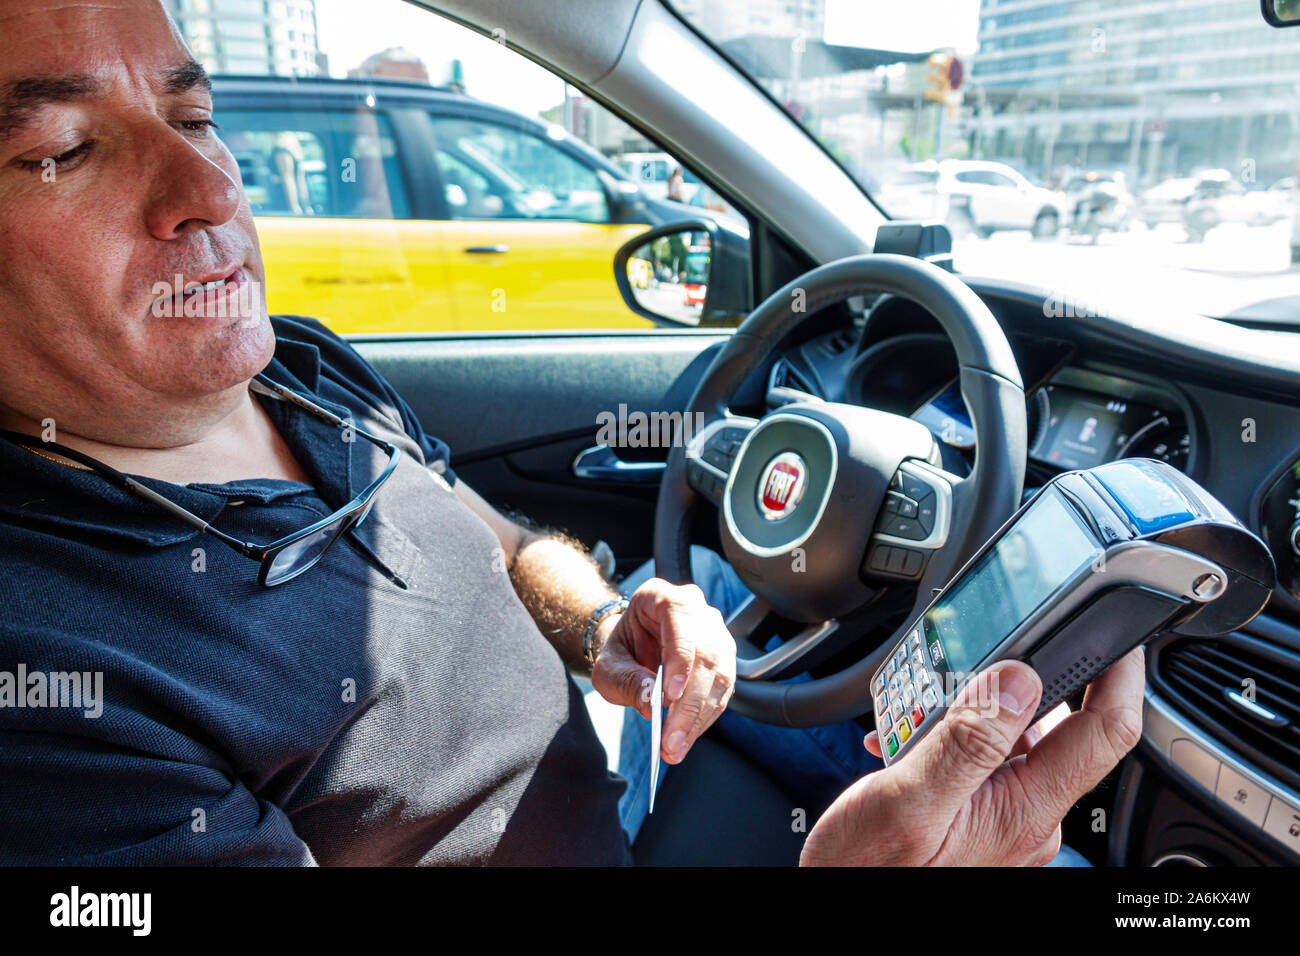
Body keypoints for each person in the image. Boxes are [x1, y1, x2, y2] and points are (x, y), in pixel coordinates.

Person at [0, 0, 1144, 866]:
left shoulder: (298, 368)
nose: (206, 184)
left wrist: (601, 620)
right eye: (61, 151)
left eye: (195, 116)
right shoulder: (48, 694)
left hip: (634, 778)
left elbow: (473, 525)